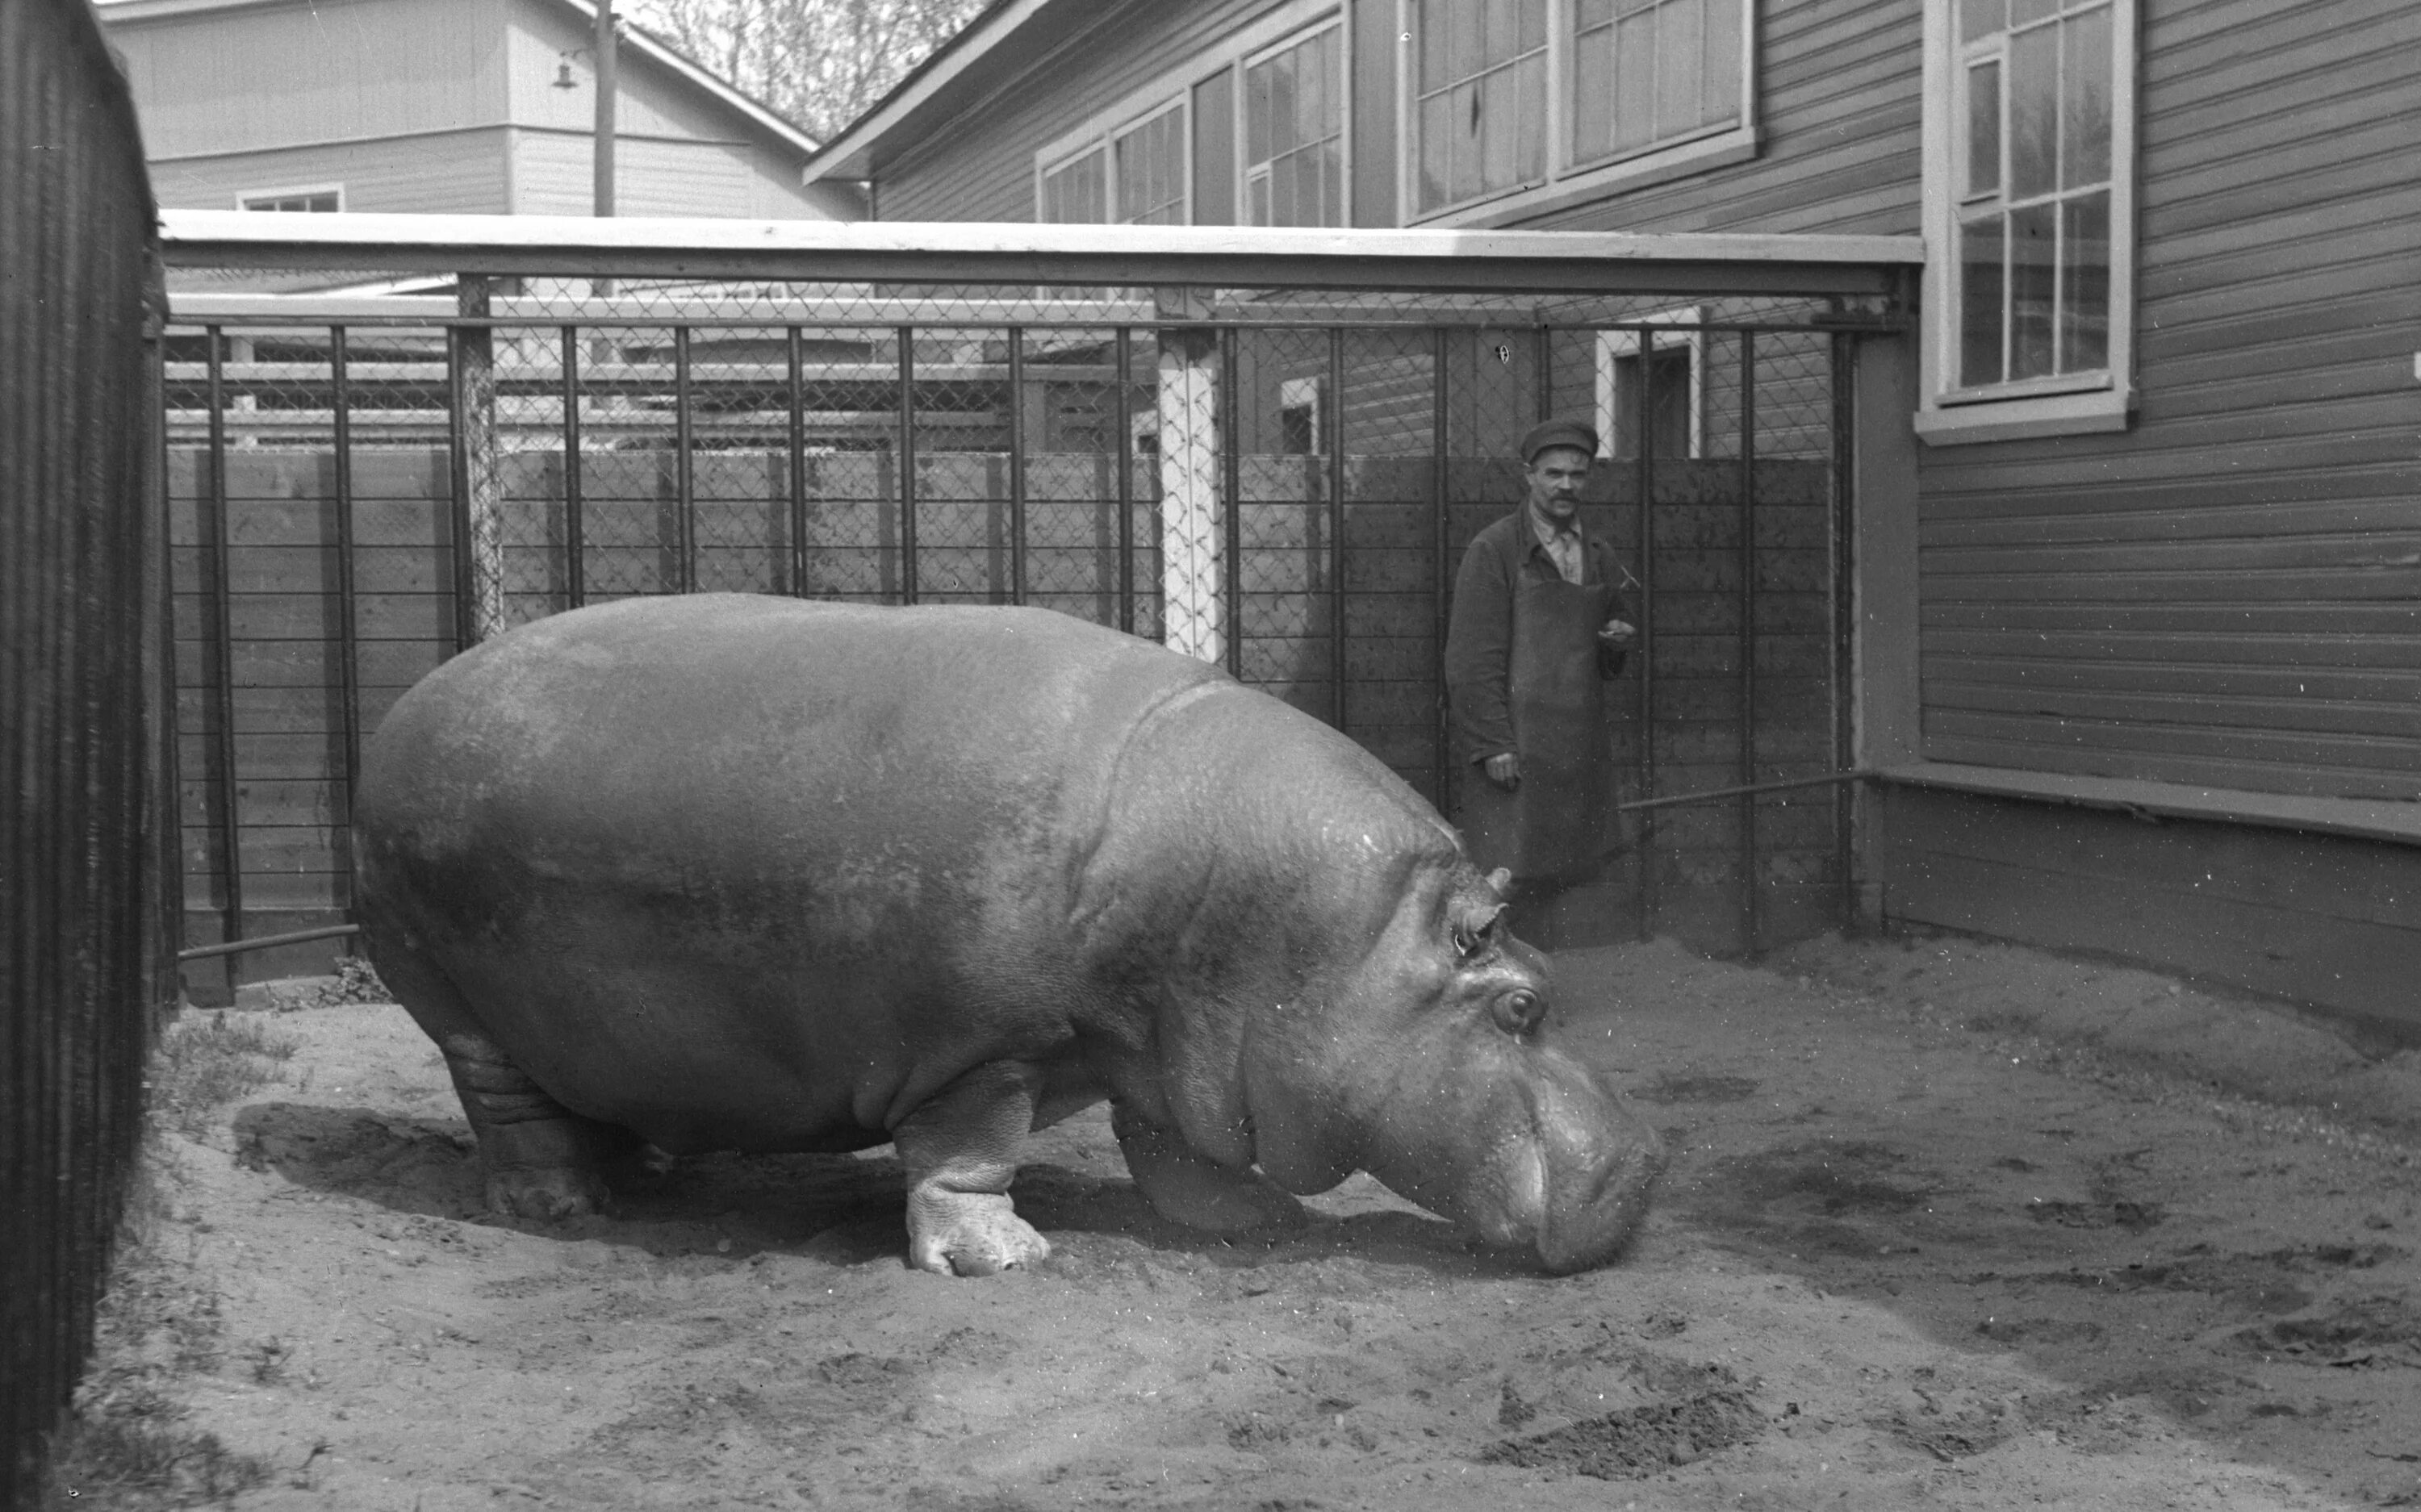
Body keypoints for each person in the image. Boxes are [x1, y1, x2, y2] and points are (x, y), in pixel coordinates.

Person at [1443, 418, 1636, 930]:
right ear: (1528, 475)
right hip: (1515, 749)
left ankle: (1539, 985)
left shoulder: (1598, 554)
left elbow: (1608, 661)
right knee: (1503, 879)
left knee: (1562, 874)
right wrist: (1492, 742)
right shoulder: (1495, 550)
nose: (1566, 486)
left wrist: (1616, 643)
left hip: (1574, 748)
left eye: (1578, 474)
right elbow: (1469, 660)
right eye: (1554, 474)